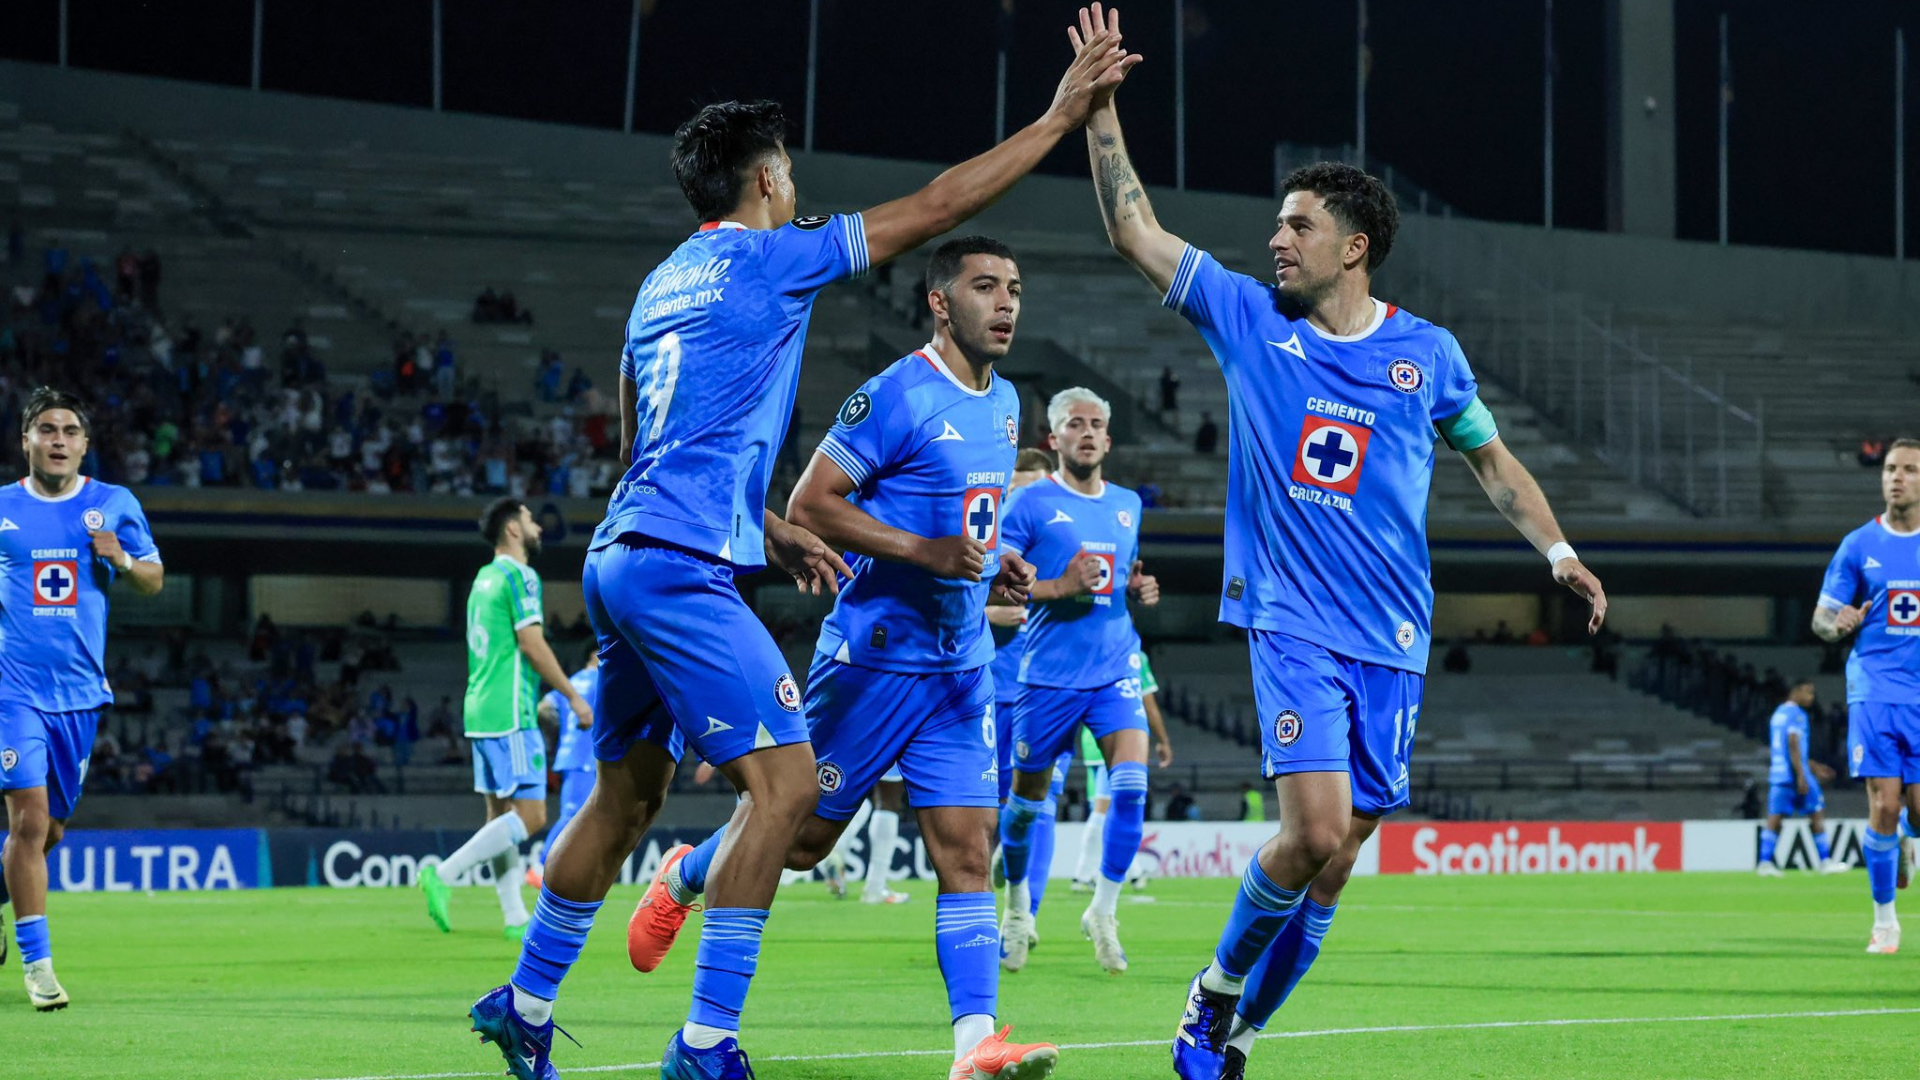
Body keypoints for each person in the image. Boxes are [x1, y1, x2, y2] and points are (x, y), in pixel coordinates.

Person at [467, 21, 1138, 1080]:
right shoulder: (774, 256)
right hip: (685, 570)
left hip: (621, 555)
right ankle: (705, 1044)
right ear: (769, 179)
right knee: (785, 795)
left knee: (626, 798)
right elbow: (938, 206)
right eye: (790, 172)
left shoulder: (661, 283)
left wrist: (767, 526)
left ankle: (525, 1001)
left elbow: (645, 444)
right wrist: (1059, 117)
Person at [1066, 9, 1610, 1072]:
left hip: (1393, 633)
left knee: (1337, 861)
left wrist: (1558, 553)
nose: (1276, 239)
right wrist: (1100, 112)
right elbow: (1136, 232)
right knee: (1311, 831)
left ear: (1353, 248)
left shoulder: (1427, 355)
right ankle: (1212, 996)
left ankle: (1241, 1037)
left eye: (1299, 226)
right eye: (1278, 224)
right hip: (1291, 619)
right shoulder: (1246, 318)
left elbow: (1493, 463)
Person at [645, 235, 1054, 1072]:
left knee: (968, 851)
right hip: (872, 664)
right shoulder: (897, 394)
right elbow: (811, 503)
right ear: (940, 302)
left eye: (1014, 288)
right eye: (985, 287)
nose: (1006, 303)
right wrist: (923, 551)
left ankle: (974, 1046)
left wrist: (993, 559)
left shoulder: (1009, 402)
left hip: (959, 669)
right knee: (799, 843)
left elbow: (962, 515)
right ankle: (687, 875)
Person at [0, 387, 164, 1010]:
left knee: (50, 832)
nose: (59, 440)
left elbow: (154, 580)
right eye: (47, 429)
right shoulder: (3, 508)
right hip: (13, 691)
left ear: (85, 444)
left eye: (70, 431)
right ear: (26, 440)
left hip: (79, 696)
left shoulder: (113, 503)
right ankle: (39, 967)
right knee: (28, 821)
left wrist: (121, 558)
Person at [995, 385, 1160, 977]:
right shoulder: (1028, 504)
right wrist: (1060, 587)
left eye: (1095, 425)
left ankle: (1103, 911)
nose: (1086, 432)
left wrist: (1136, 588)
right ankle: (1018, 909)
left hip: (1114, 668)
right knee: (1024, 807)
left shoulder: (1127, 504)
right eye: (1074, 424)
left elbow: (1121, 575)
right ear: (1054, 438)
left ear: (1108, 440)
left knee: (1132, 786)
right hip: (1048, 677)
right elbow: (993, 584)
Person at [420, 498, 591, 940]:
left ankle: (515, 916)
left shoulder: (484, 578)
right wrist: (573, 697)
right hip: (511, 710)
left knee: (500, 815)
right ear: (513, 529)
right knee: (531, 816)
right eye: (531, 519)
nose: (538, 527)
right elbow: (531, 644)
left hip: (479, 709)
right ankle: (444, 873)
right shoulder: (520, 576)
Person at [1811, 437, 1920, 954]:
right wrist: (1837, 625)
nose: (1896, 477)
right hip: (1873, 687)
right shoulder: (1858, 544)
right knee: (1885, 806)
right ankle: (1885, 923)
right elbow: (1821, 618)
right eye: (1891, 469)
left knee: (1915, 813)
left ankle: (1907, 844)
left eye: (1909, 470)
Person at [1067, 649, 1173, 892]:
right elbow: (1149, 704)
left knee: (1108, 811)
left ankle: (1133, 872)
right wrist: (1163, 740)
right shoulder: (1134, 655)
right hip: (1120, 738)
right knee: (1107, 810)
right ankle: (1083, 875)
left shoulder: (1091, 652)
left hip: (1091, 739)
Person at [1756, 679, 1847, 877]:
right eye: (1808, 692)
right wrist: (1802, 775)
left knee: (1775, 817)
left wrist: (1814, 766)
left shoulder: (1778, 714)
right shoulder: (1797, 714)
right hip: (1795, 775)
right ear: (1796, 692)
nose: (1811, 697)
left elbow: (1789, 749)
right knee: (1816, 814)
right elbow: (1793, 743)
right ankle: (1825, 861)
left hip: (1779, 774)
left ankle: (1764, 862)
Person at [530, 645, 600, 888]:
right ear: (594, 654)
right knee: (573, 815)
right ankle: (539, 866)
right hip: (586, 756)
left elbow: (543, 708)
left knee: (585, 817)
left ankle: (574, 871)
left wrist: (562, 730)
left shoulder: (570, 683)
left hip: (570, 755)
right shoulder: (600, 679)